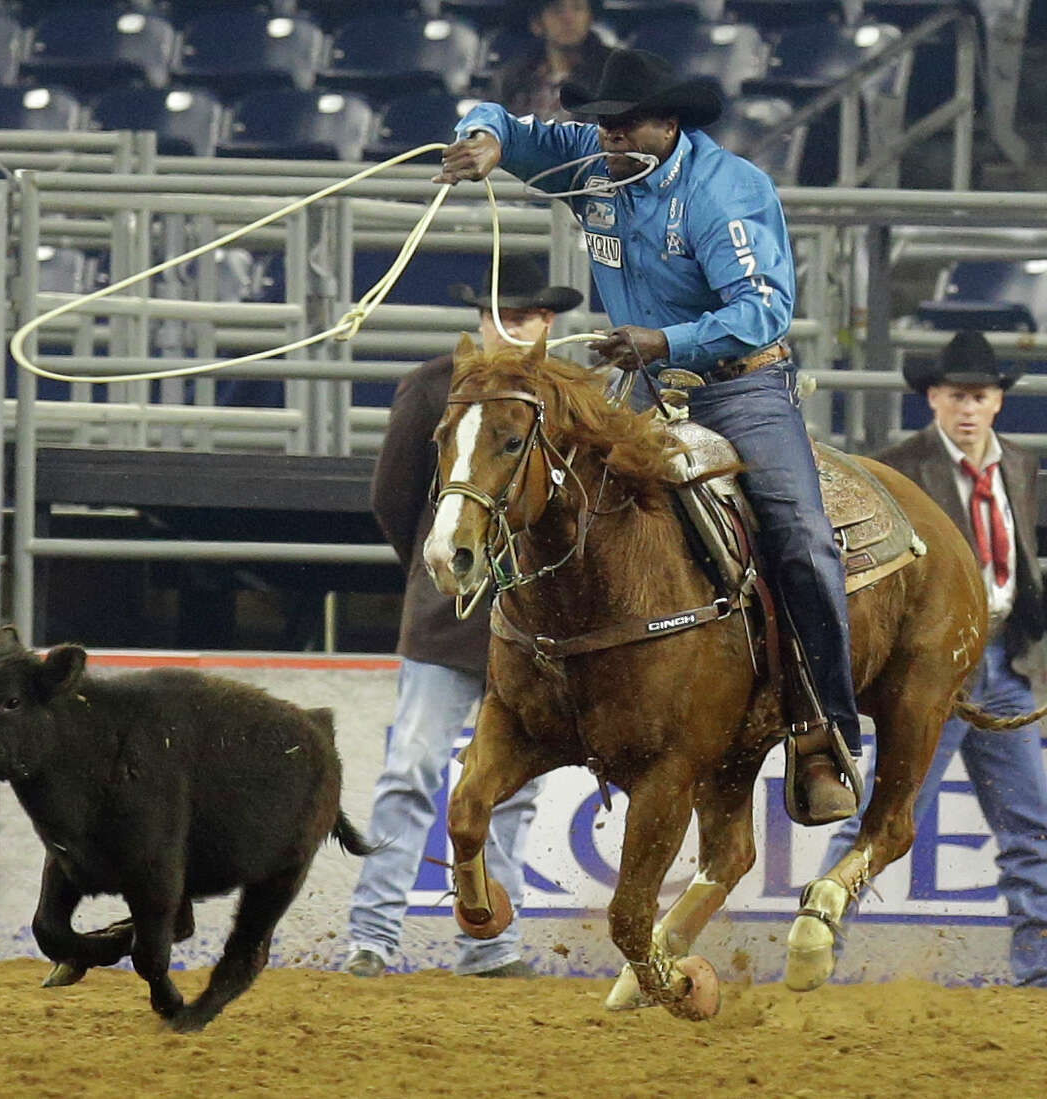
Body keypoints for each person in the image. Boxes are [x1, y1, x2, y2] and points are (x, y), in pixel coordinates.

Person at [434, 48, 861, 824]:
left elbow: (763, 309)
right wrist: (482, 140)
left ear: (669, 124)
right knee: (561, 500)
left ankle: (823, 730)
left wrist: (667, 340)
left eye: (625, 123)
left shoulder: (726, 191)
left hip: (739, 386)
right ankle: (556, 681)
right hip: (639, 380)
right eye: (602, 122)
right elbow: (510, 129)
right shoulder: (593, 159)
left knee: (800, 536)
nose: (609, 135)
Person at [342, 256, 584, 978]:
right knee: (414, 769)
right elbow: (394, 498)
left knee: (507, 786)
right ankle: (376, 937)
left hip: (526, 623)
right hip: (460, 618)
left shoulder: (561, 395)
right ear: (482, 319)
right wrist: (438, 570)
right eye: (503, 314)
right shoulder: (431, 388)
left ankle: (481, 943)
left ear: (547, 323)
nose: (514, 326)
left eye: (529, 315)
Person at [821, 330, 1047, 986]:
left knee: (1030, 827)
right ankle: (821, 942)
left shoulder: (1019, 465)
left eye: (979, 396)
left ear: (997, 400)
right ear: (933, 399)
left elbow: (1021, 562)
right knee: (888, 813)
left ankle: (1038, 972)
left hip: (1002, 659)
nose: (968, 408)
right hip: (933, 666)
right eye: (956, 396)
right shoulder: (898, 469)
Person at [489, 0, 613, 123]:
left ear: (590, 18)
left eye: (577, 8)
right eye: (557, 10)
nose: (568, 18)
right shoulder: (511, 78)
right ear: (537, 23)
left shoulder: (612, 74)